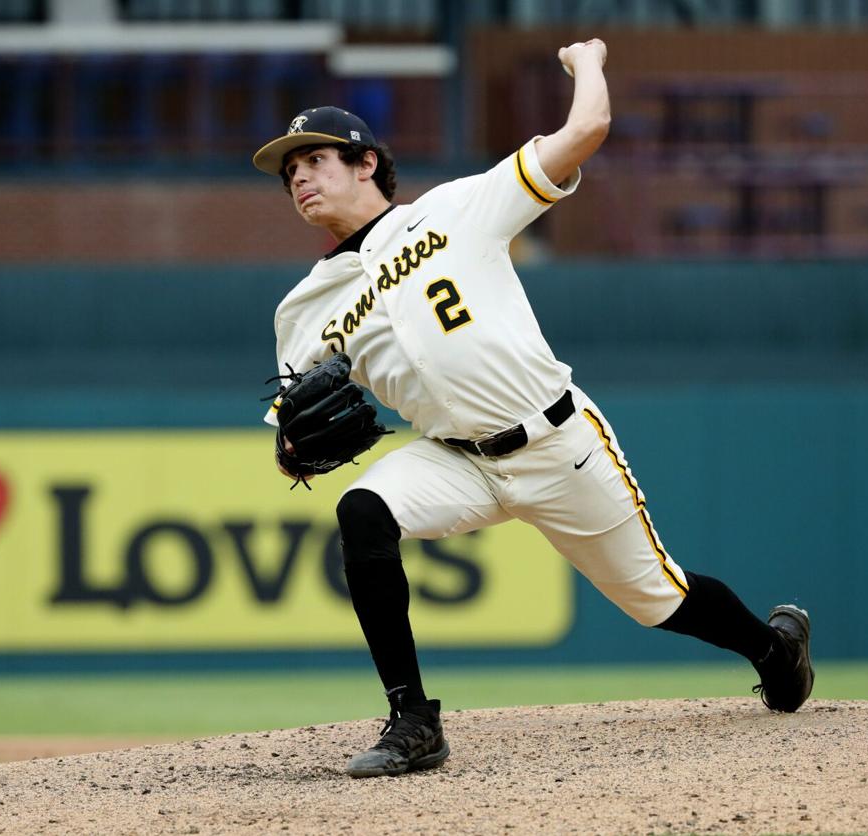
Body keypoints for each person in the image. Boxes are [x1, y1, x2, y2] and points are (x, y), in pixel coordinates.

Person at [251, 39, 813, 779]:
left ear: (366, 163)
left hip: (556, 442)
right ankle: (414, 719)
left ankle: (775, 650)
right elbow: (292, 431)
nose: (299, 178)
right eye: (290, 171)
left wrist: (589, 66)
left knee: (659, 597)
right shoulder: (306, 306)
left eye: (314, 159)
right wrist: (292, 452)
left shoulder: (455, 209)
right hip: (456, 459)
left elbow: (585, 135)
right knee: (362, 509)